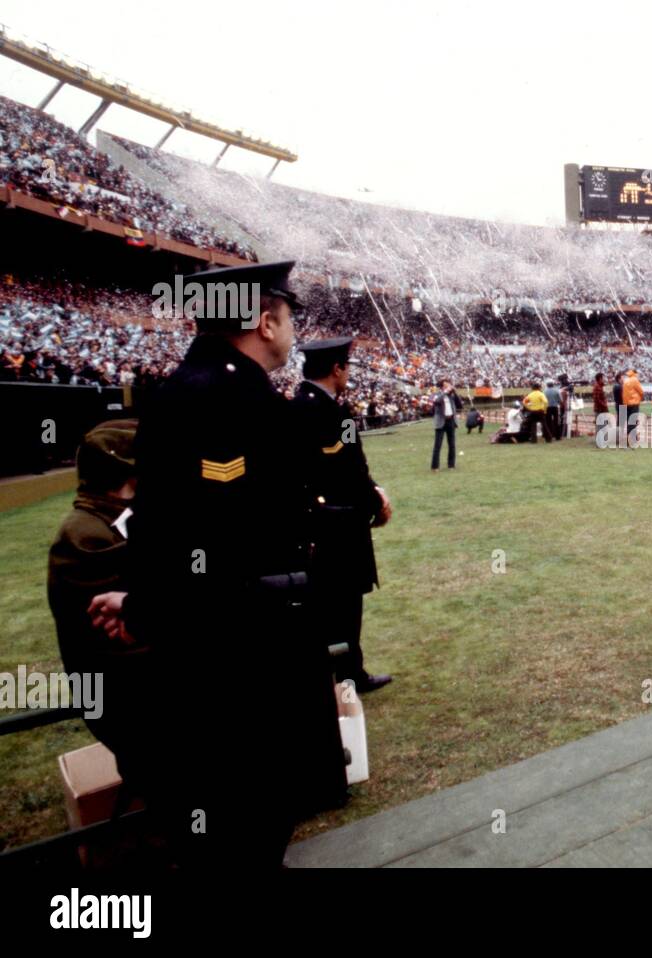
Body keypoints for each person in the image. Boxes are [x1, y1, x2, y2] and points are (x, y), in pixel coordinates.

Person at [89, 260, 347, 868]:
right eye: (287, 320)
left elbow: (168, 525)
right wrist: (150, 606)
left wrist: (144, 603)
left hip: (230, 634)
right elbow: (196, 529)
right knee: (253, 814)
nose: (290, 335)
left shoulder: (192, 389)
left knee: (244, 817)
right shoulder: (230, 397)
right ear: (263, 321)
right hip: (250, 644)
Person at [48, 419, 153, 773]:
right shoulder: (85, 536)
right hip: (128, 701)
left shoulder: (119, 519)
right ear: (130, 477)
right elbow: (127, 644)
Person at [291, 337, 393, 695]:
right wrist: (374, 503)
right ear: (336, 369)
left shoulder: (319, 405)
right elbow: (342, 473)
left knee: (342, 603)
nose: (348, 374)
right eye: (346, 367)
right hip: (333, 525)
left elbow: (355, 466)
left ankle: (350, 671)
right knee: (341, 604)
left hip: (337, 520)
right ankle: (348, 677)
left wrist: (374, 491)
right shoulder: (316, 410)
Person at [431, 378, 463, 469]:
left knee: (452, 444)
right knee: (438, 445)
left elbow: (460, 405)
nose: (448, 385)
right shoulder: (436, 394)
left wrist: (454, 392)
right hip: (441, 421)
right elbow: (436, 401)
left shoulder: (451, 395)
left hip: (451, 421)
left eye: (449, 384)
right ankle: (435, 466)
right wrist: (445, 392)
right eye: (446, 384)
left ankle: (451, 465)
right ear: (442, 386)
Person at [623, 368, 644, 447]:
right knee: (633, 422)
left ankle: (629, 438)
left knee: (629, 422)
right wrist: (641, 398)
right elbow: (641, 391)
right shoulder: (635, 380)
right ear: (635, 373)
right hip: (634, 403)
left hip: (627, 404)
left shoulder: (626, 380)